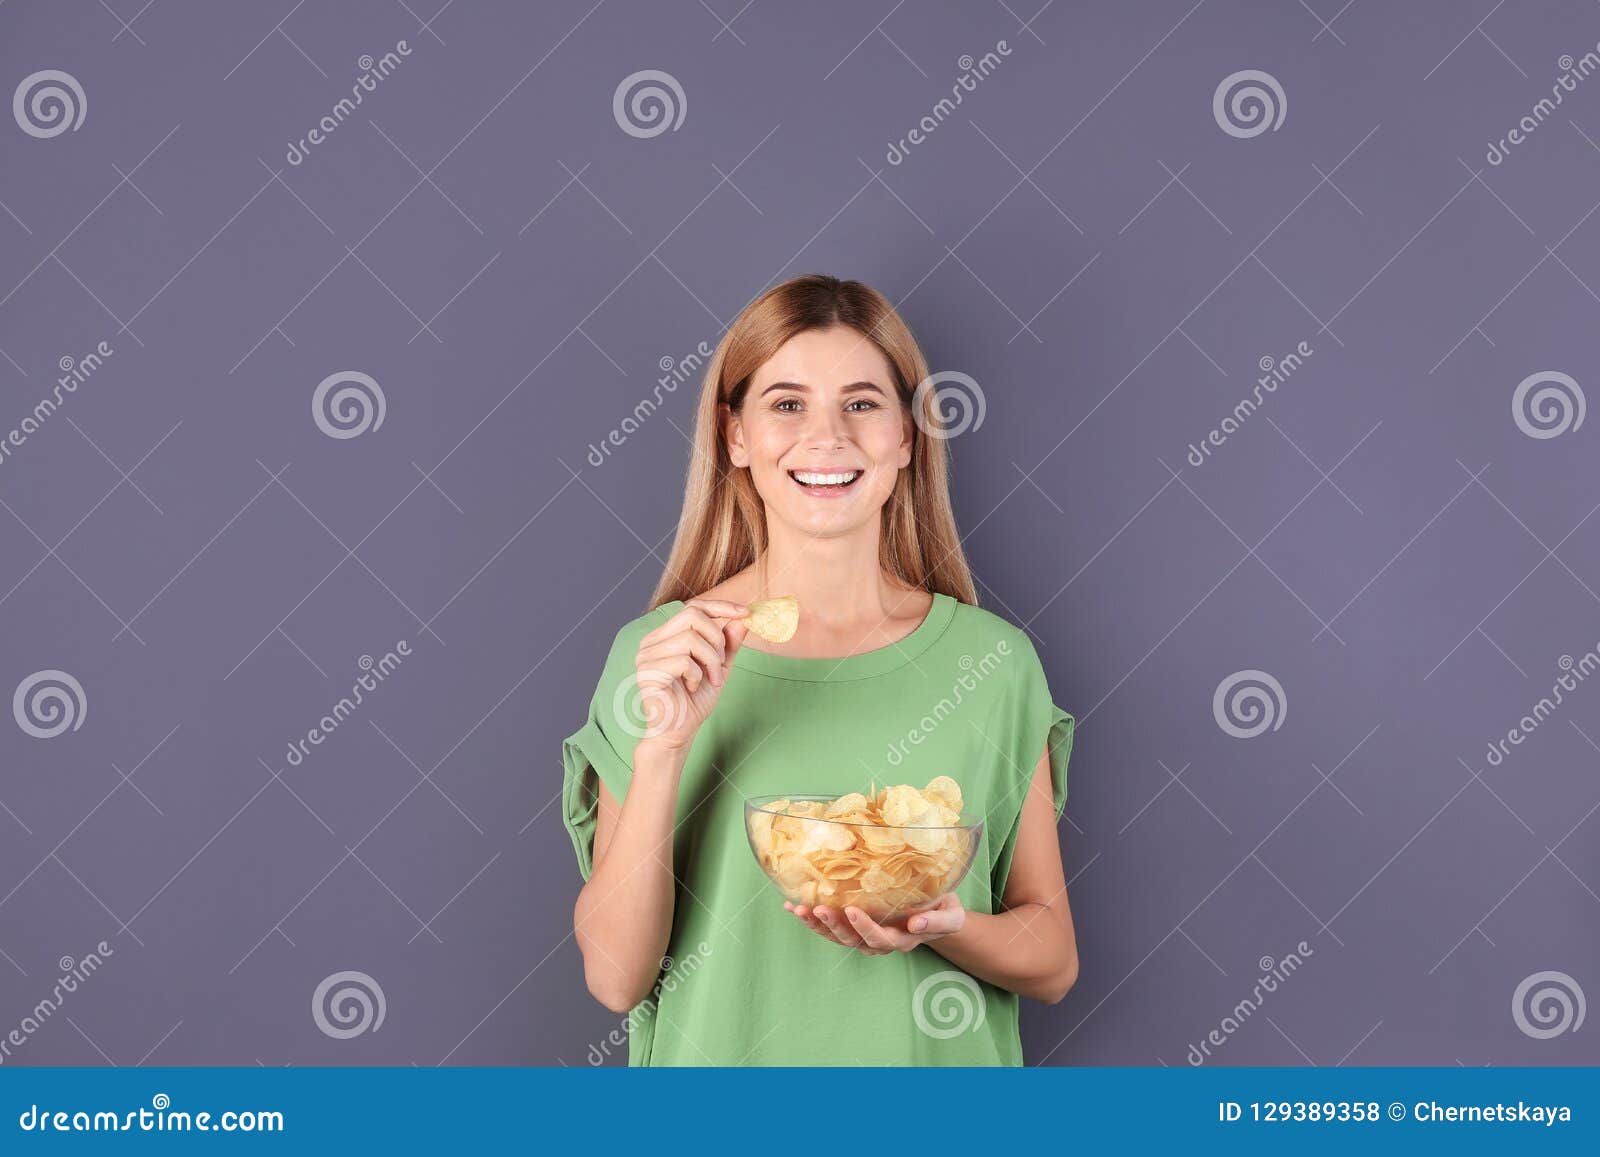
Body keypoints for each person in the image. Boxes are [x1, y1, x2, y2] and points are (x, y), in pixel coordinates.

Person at [562, 273, 1078, 1065]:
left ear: (906, 437)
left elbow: (1053, 959)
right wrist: (664, 747)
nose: (827, 436)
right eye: (787, 403)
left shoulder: (993, 664)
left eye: (862, 403)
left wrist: (941, 924)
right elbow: (614, 977)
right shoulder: (662, 655)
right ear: (736, 435)